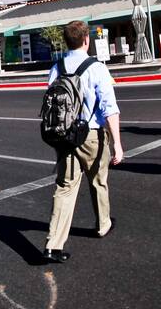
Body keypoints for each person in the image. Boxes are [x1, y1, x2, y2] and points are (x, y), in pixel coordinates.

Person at [43, 20, 124, 263]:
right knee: (98, 181)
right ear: (86, 40)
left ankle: (53, 245)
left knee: (65, 188)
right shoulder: (96, 68)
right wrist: (117, 144)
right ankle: (103, 224)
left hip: (64, 136)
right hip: (91, 134)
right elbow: (110, 109)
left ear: (66, 41)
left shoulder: (56, 67)